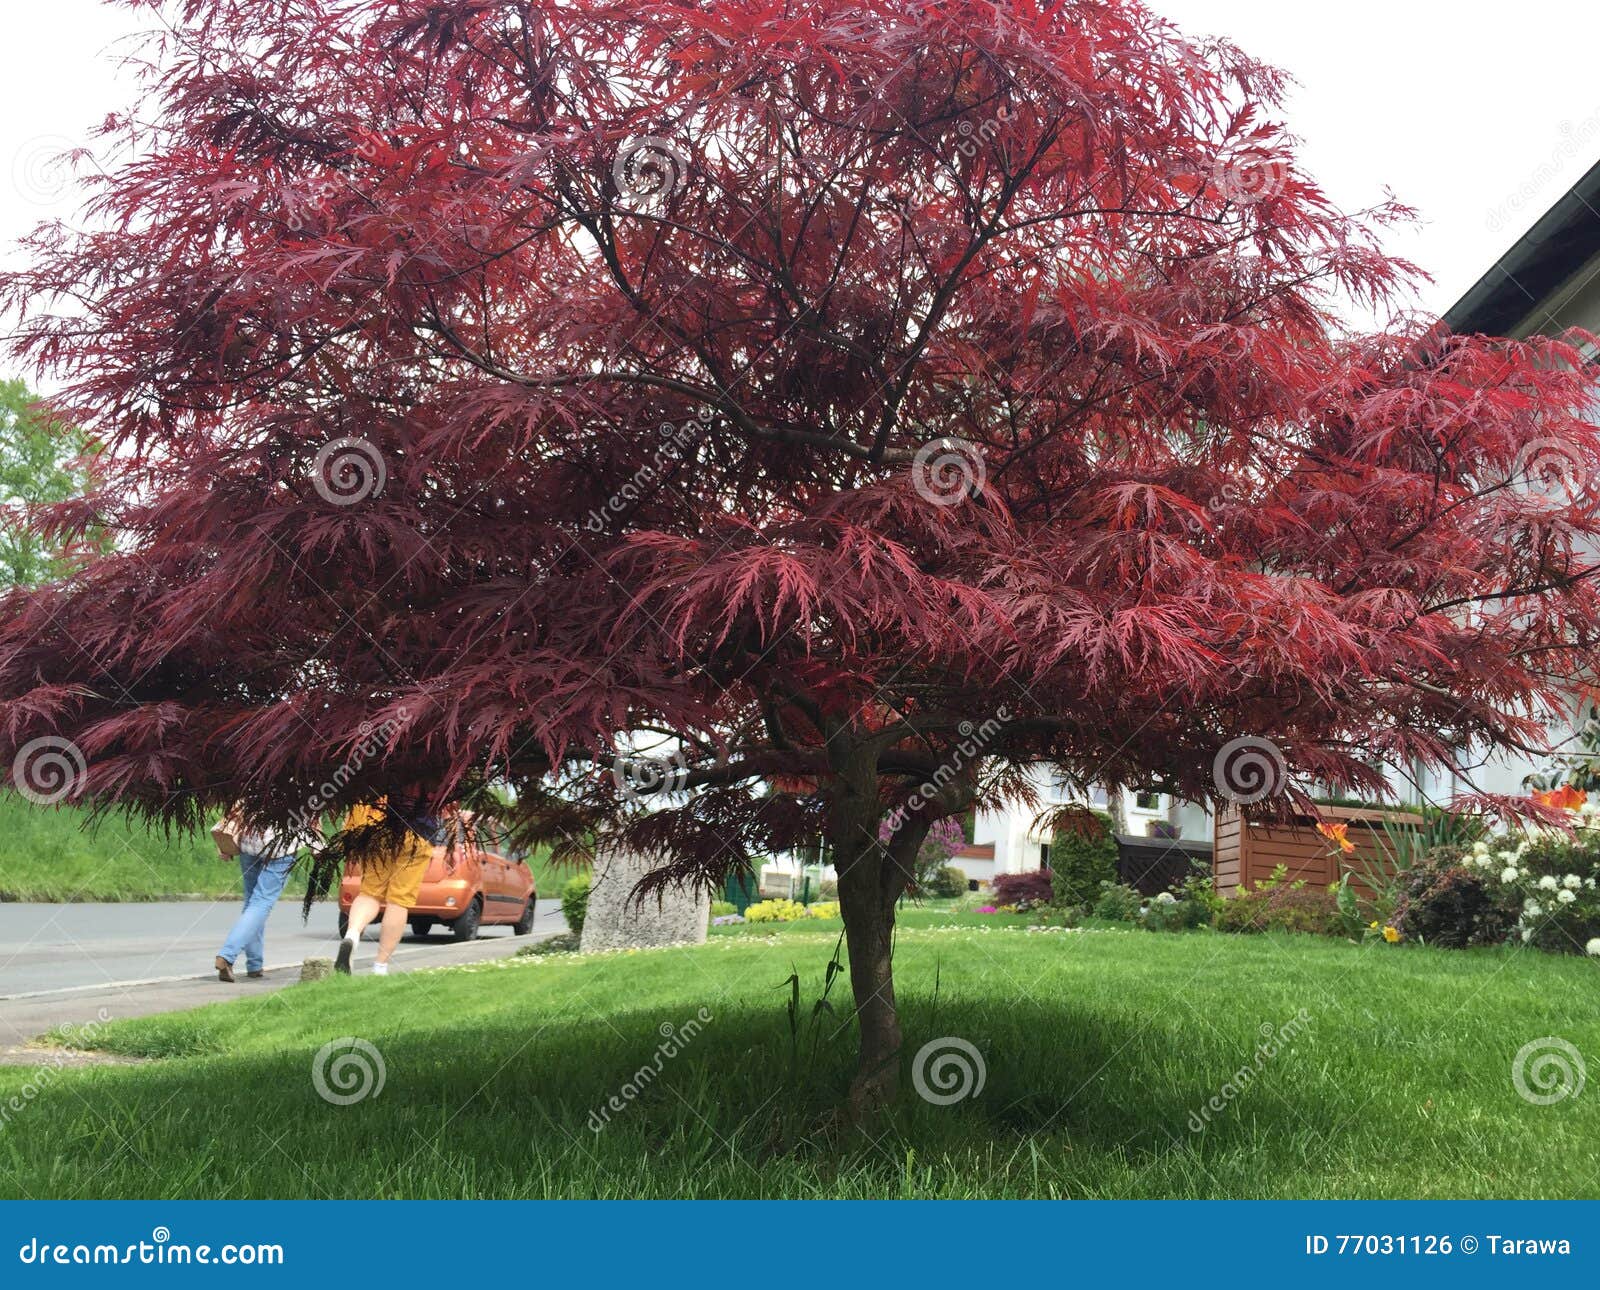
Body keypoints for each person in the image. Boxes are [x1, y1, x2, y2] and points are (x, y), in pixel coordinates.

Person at [335, 793, 442, 976]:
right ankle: (380, 967)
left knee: (369, 893)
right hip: (417, 832)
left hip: (376, 828)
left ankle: (352, 934)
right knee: (399, 901)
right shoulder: (434, 765)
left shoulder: (375, 763)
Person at [214, 808, 303, 983]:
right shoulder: (302, 780)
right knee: (261, 903)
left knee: (252, 902)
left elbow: (237, 802)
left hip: (249, 839)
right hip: (281, 845)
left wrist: (224, 840)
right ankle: (226, 956)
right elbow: (312, 808)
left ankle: (254, 965)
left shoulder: (254, 778)